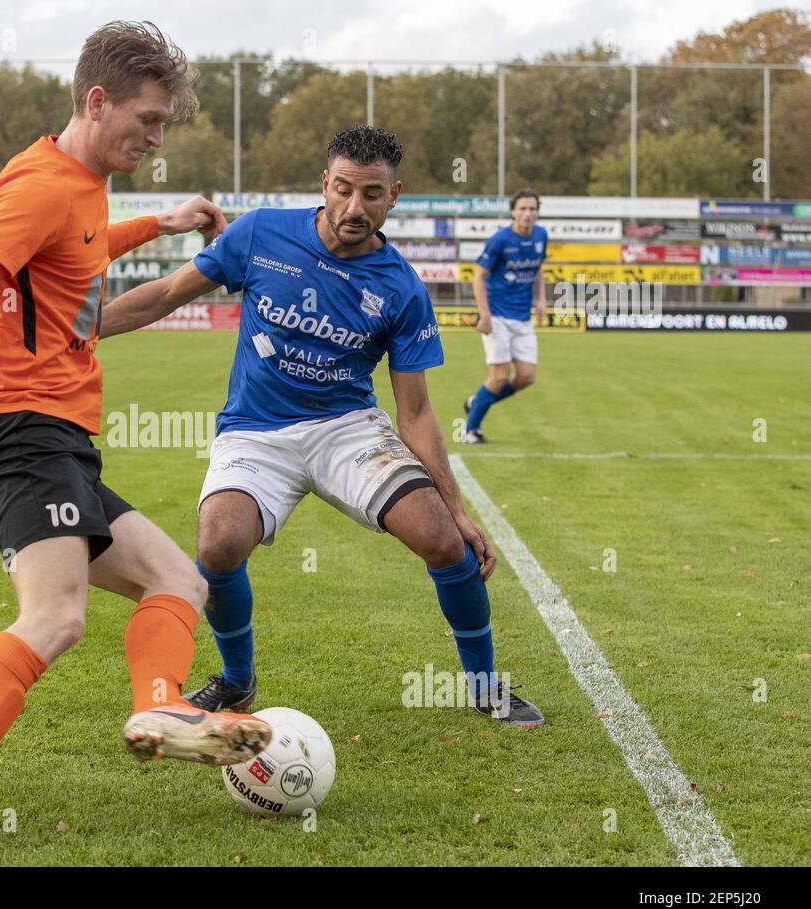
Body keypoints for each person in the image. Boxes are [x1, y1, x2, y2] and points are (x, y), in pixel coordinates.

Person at [0, 20, 272, 853]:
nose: (154, 140)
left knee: (179, 580)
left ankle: (161, 702)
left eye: (163, 128)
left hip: (53, 438)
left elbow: (77, 251)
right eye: (147, 122)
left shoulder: (81, 178)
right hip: (16, 432)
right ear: (97, 99)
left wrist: (162, 223)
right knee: (58, 615)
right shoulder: (40, 184)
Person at [100, 126, 546, 728]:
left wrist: (457, 507)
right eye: (342, 190)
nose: (353, 208)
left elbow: (413, 411)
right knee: (218, 542)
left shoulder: (401, 288)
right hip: (256, 429)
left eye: (371, 194)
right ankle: (237, 679)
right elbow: (166, 294)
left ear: (395, 196)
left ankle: (484, 684)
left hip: (347, 429)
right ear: (324, 184)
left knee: (443, 540)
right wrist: (79, 330)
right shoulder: (260, 233)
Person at [461, 189, 547, 443]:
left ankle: (477, 402)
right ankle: (471, 430)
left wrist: (542, 299)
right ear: (513, 212)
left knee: (526, 377)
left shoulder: (542, 236)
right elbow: (479, 276)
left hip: (523, 317)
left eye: (532, 209)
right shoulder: (500, 239)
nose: (527, 214)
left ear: (538, 212)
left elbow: (539, 269)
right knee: (498, 377)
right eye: (522, 209)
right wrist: (484, 315)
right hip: (497, 315)